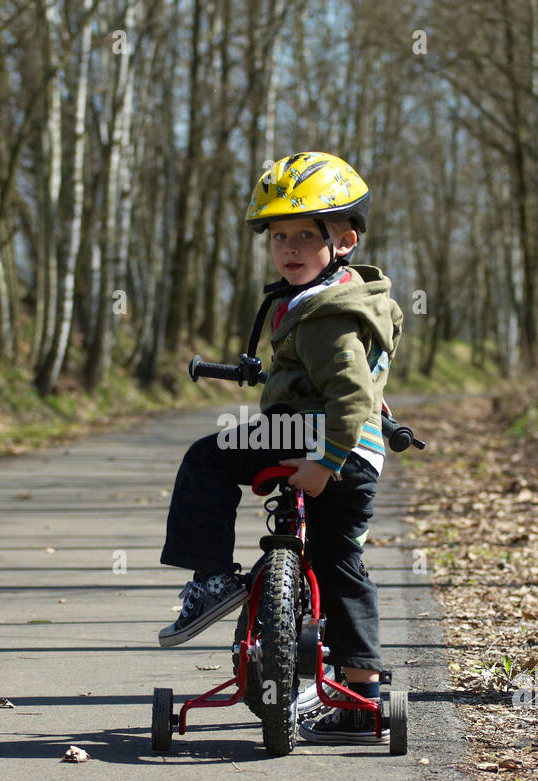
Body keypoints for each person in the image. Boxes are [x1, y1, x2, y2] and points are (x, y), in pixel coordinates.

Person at [156, 151, 403, 745]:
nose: (288, 248)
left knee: (207, 458)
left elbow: (346, 391)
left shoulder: (326, 315)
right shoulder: (345, 297)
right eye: (277, 236)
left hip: (319, 442)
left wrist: (325, 462)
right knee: (341, 564)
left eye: (303, 235)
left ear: (343, 240)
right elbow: (361, 386)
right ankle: (361, 695)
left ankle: (213, 578)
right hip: (357, 452)